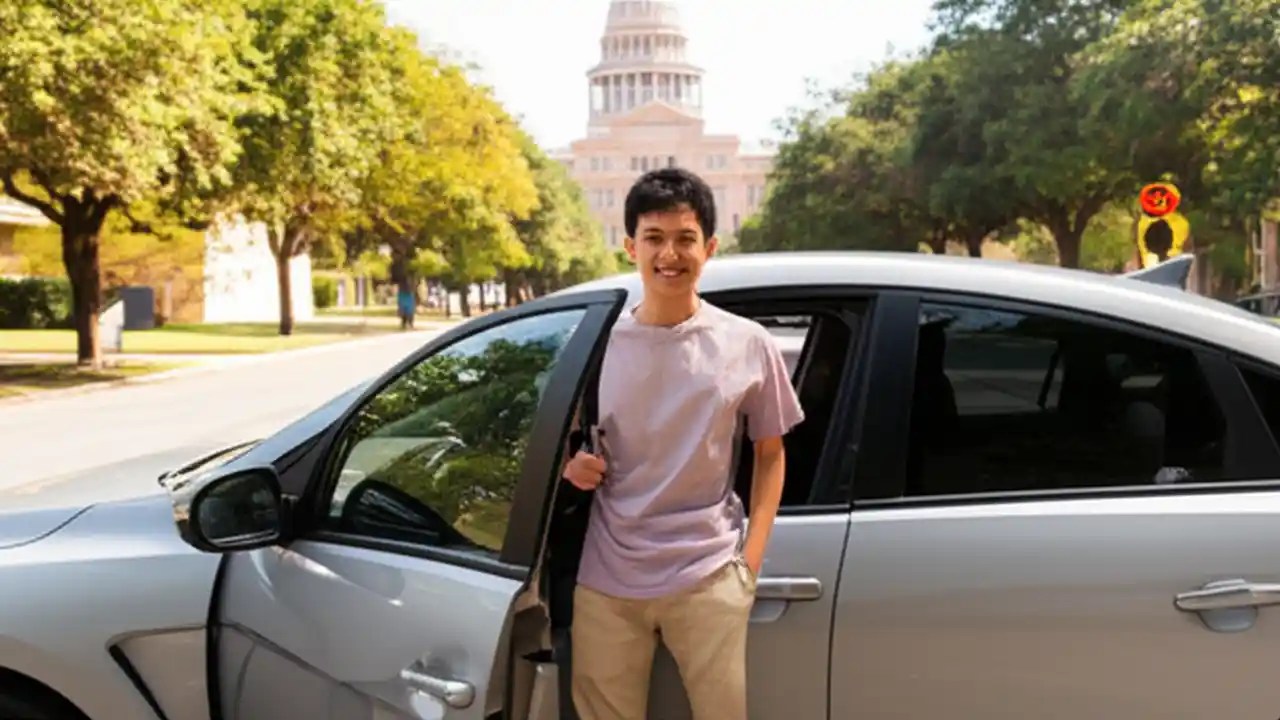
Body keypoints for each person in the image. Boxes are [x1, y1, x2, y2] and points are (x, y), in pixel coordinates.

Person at [561, 167, 805, 720]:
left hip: (709, 574)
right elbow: (550, 445)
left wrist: (750, 561)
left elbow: (771, 452)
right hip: (606, 580)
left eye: (684, 239)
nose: (669, 254)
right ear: (630, 247)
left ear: (709, 247)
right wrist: (568, 469)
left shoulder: (748, 343)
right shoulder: (594, 347)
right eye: (654, 238)